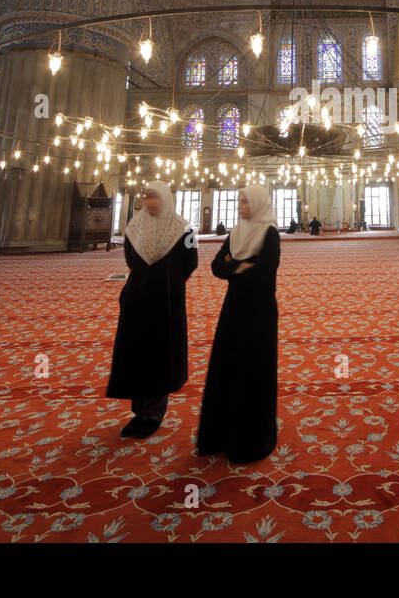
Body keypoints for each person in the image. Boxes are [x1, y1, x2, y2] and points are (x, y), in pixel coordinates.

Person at [196, 185, 281, 464]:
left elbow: (264, 272)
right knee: (228, 366)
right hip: (233, 310)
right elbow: (217, 267)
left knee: (252, 368)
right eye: (240, 201)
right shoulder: (236, 233)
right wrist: (241, 266)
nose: (241, 205)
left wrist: (236, 266)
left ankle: (250, 440)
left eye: (245, 201)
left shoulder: (269, 233)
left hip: (259, 313)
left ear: (257, 204)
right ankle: (220, 434)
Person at [106, 182, 197, 439]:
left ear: (166, 199)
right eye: (147, 197)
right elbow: (130, 259)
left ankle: (154, 414)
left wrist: (170, 283)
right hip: (137, 300)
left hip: (166, 302)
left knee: (160, 355)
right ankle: (138, 413)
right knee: (137, 355)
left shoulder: (184, 228)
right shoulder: (134, 227)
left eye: (155, 197)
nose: (151, 202)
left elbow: (192, 262)